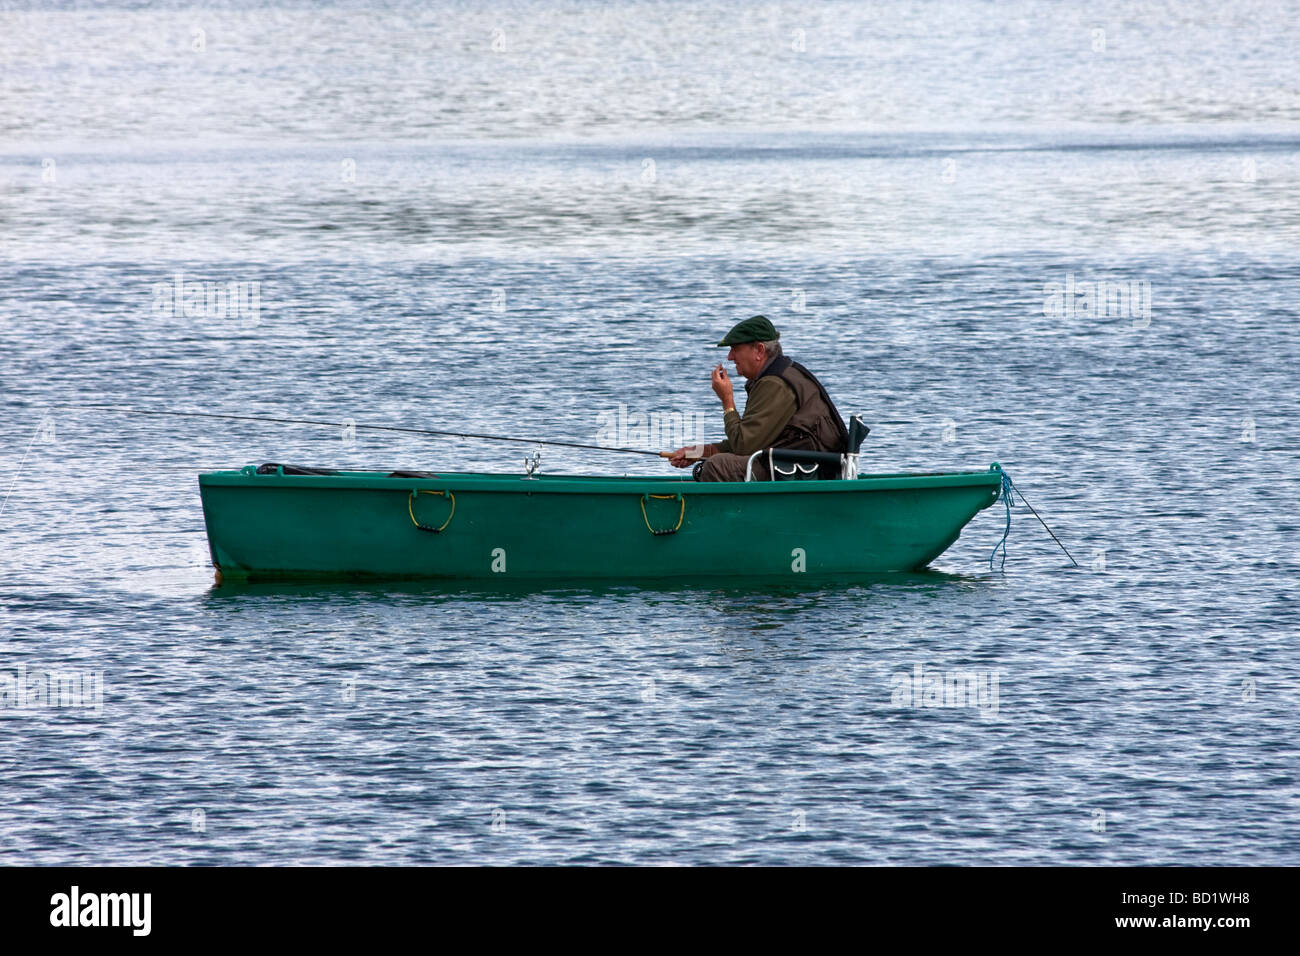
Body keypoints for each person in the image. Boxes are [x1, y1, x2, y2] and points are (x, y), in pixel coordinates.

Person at [668, 316, 848, 481]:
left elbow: (744, 446)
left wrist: (727, 400)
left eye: (735, 349)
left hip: (808, 471)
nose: (730, 357)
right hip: (794, 465)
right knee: (718, 461)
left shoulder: (775, 384)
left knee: (718, 466)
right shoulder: (774, 377)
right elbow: (750, 440)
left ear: (759, 351)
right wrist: (698, 452)